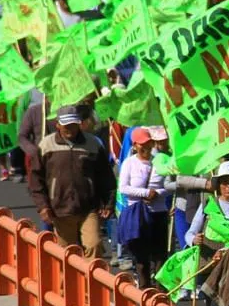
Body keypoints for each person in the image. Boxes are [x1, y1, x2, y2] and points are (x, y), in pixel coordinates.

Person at [28, 105, 117, 258]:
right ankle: (69, 282)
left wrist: (108, 203)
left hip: (88, 208)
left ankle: (90, 282)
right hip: (59, 209)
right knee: (65, 255)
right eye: (66, 125)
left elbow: (106, 176)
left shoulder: (93, 144)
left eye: (73, 125)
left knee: (94, 245)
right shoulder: (46, 145)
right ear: (58, 124)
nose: (70, 128)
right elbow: (36, 179)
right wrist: (43, 206)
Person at [117, 127, 172, 284]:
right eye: (142, 144)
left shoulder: (161, 161)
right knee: (142, 258)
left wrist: (157, 193)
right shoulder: (130, 163)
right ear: (134, 145)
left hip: (158, 213)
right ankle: (145, 289)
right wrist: (145, 193)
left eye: (149, 143)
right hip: (138, 215)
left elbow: (169, 187)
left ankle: (162, 293)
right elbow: (124, 188)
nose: (146, 147)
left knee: (161, 256)